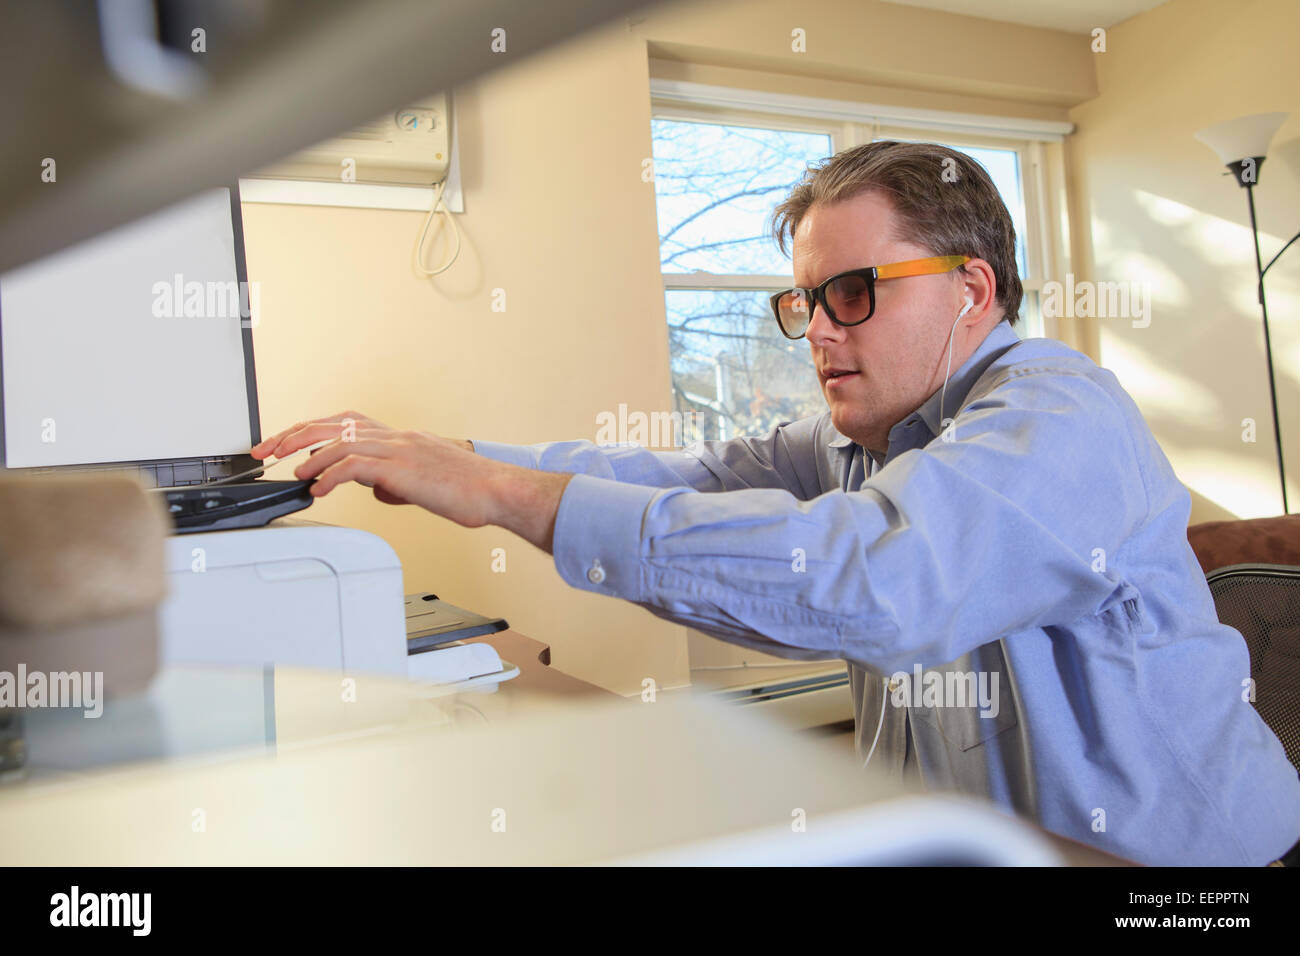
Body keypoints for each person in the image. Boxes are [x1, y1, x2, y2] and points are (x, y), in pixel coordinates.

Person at [252, 140, 1300, 866]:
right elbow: (685, 479)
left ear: (973, 292)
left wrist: (499, 493)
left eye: (854, 291)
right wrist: (454, 458)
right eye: (805, 298)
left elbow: (878, 577)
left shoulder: (1059, 413)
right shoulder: (868, 435)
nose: (817, 330)